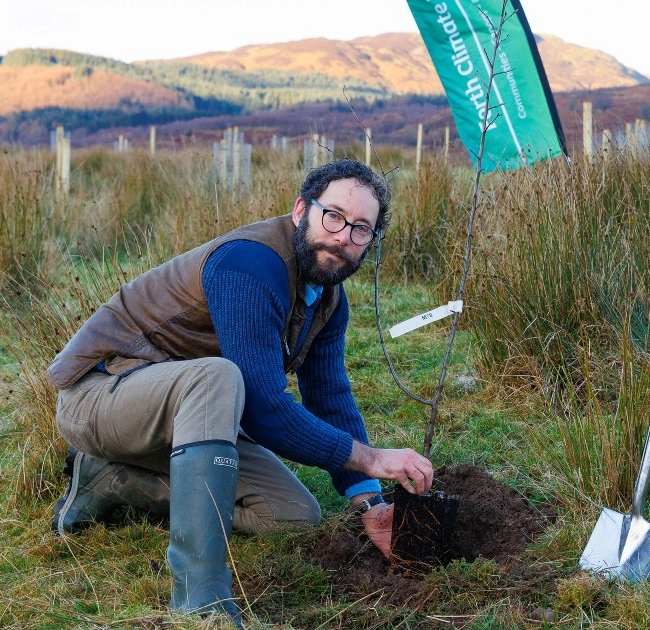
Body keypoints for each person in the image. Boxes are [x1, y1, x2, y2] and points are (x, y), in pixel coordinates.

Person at [44, 159, 434, 625]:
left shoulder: (327, 297)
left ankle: (107, 481)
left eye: (361, 229)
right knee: (221, 377)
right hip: (97, 397)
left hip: (182, 415)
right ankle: (200, 598)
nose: (342, 237)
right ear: (300, 211)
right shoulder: (251, 264)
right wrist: (371, 458)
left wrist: (371, 501)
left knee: (290, 514)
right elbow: (265, 409)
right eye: (333, 216)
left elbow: (329, 397)